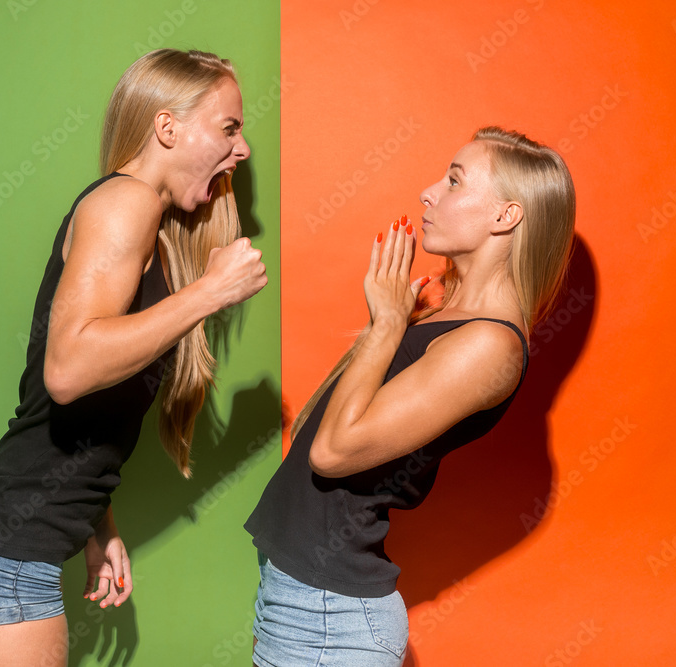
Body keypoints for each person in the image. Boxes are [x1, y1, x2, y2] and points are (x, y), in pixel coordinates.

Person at [0, 49, 267, 667]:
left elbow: (81, 411)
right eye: (229, 128)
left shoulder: (147, 223)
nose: (242, 150)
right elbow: (69, 370)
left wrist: (96, 526)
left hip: (9, 552)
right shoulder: (124, 203)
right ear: (167, 128)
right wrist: (207, 293)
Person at [245, 126, 575, 666]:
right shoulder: (448, 318)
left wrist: (386, 325)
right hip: (303, 599)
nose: (429, 192)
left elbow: (333, 452)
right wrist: (395, 324)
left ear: (505, 217)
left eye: (454, 181)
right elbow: (321, 421)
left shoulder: (490, 344)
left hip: (328, 616)